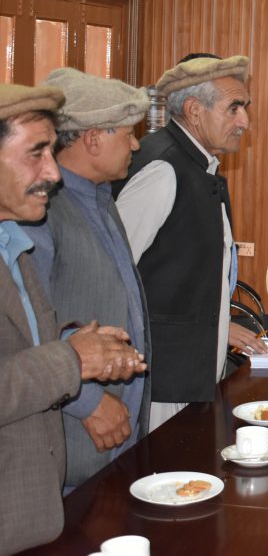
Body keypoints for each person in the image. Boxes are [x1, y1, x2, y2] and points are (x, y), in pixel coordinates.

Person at [0, 83, 146, 554]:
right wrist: (74, 362)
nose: (52, 171)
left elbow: (27, 338)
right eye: (36, 153)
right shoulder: (36, 224)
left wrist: (83, 344)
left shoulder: (12, 241)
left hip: (32, 499)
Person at [115, 54, 267, 432]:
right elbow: (114, 274)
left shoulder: (199, 163)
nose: (244, 121)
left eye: (245, 108)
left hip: (191, 363)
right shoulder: (163, 168)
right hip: (166, 374)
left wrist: (219, 325)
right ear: (195, 111)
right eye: (234, 108)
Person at [24, 68, 151, 491]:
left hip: (116, 427)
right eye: (128, 134)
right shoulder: (41, 211)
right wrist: (88, 402)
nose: (136, 144)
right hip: (74, 431)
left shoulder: (100, 198)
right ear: (94, 139)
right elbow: (28, 333)